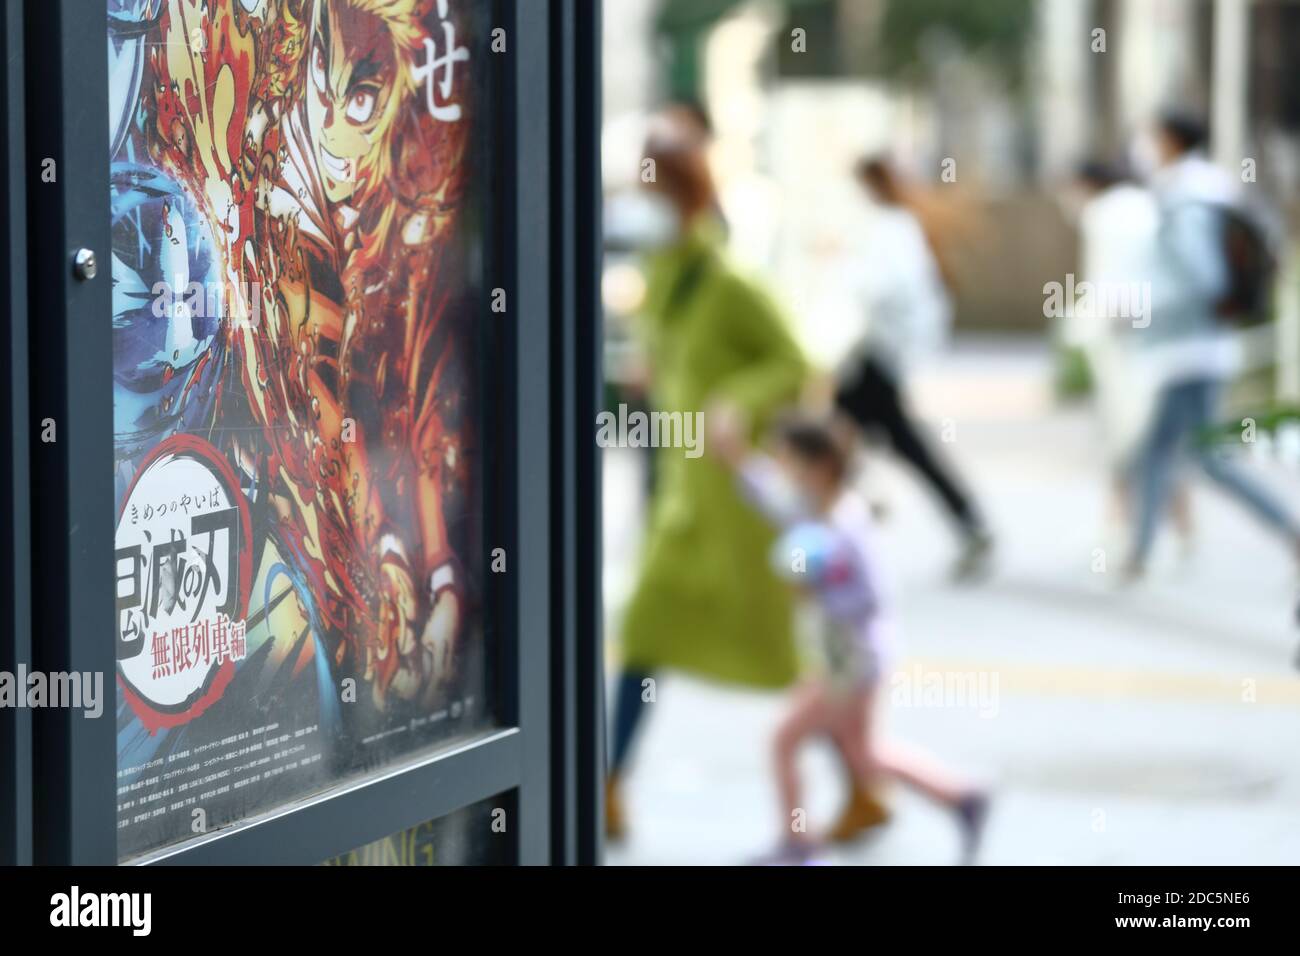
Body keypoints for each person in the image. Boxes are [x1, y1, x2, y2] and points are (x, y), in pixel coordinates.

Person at [606, 113, 814, 839]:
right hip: (683, 494)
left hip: (734, 502)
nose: (641, 199)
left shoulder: (727, 281)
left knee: (786, 653)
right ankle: (607, 781)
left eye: (653, 185)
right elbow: (669, 353)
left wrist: (736, 400)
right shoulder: (663, 275)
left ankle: (864, 776)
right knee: (643, 629)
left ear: (687, 195)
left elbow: (796, 360)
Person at [708, 408, 990, 865]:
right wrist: (736, 455)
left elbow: (875, 594)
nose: (783, 472)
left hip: (852, 658)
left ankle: (798, 843)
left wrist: (816, 590)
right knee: (864, 755)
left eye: (790, 462)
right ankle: (961, 797)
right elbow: (770, 496)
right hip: (844, 657)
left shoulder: (846, 523)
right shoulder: (812, 508)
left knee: (786, 739)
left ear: (818, 466)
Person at [1124, 112, 1300, 605]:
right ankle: (1138, 553)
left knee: (1204, 459)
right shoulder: (1209, 191)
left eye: (1152, 137)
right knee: (1161, 454)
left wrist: (1141, 307)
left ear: (1171, 141)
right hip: (1198, 349)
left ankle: (1291, 532)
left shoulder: (1185, 201)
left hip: (1190, 350)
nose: (1146, 147)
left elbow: (1203, 280)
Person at [834, 156, 992, 580]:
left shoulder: (892, 228)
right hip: (879, 353)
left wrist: (855, 285)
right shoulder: (896, 225)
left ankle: (853, 517)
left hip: (880, 353)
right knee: (876, 438)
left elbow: (888, 288)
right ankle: (861, 511)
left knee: (851, 436)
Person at [1068, 160, 1195, 550]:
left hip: (1120, 340)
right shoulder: (1148, 205)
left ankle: (1123, 526)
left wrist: (1083, 327)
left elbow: (1101, 278)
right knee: (1159, 440)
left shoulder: (1101, 215)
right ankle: (1176, 528)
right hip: (1159, 338)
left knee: (1127, 437)